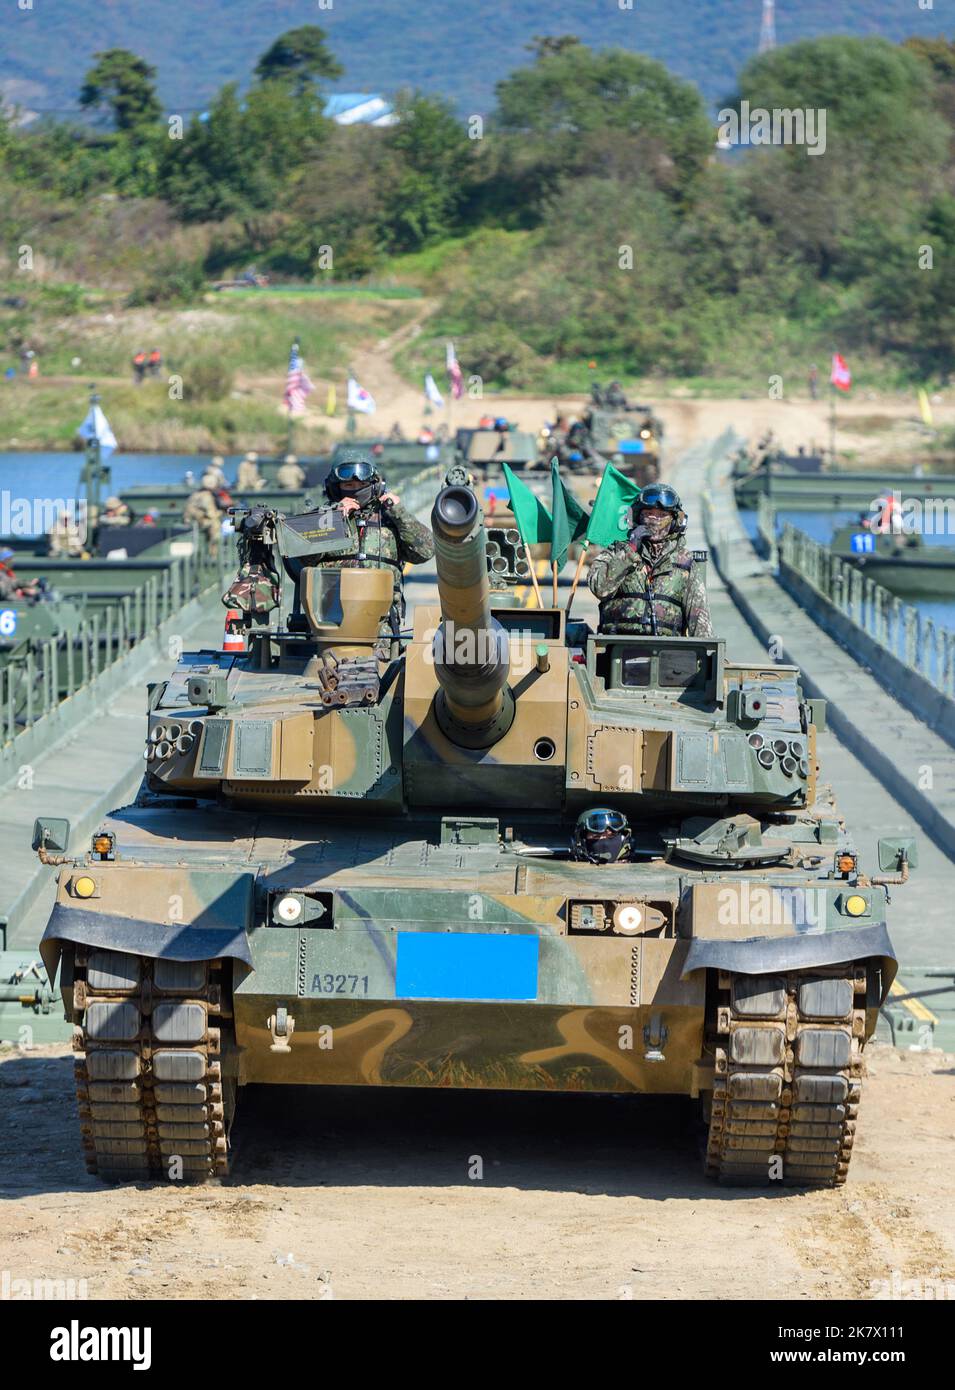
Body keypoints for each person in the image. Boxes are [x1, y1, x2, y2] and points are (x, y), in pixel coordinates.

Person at [311, 455, 434, 631]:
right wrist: (333, 518)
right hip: (331, 623)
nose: (355, 490)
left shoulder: (391, 520)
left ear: (375, 486)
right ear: (336, 489)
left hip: (381, 626)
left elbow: (426, 551)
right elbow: (304, 558)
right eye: (348, 486)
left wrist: (399, 513)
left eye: (362, 486)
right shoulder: (323, 518)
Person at [588, 482, 713, 637]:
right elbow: (600, 588)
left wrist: (709, 655)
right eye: (649, 514)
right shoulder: (616, 552)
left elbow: (699, 616)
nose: (655, 520)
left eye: (662, 515)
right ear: (636, 517)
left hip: (668, 653)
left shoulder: (685, 563)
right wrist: (630, 551)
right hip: (618, 649)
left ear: (675, 522)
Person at [183, 484, 222, 557]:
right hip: (201, 521)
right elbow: (211, 514)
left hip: (190, 521)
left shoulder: (194, 495)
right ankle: (213, 554)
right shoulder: (206, 495)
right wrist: (220, 513)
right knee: (216, 525)